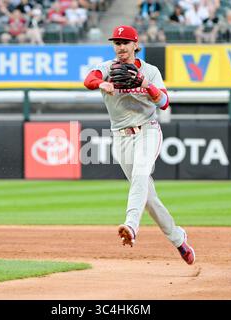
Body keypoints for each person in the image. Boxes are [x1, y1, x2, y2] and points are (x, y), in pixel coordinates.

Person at [83, 25, 195, 265]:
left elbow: (164, 102)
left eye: (125, 42)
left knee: (141, 173)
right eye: (116, 42)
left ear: (136, 45)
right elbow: (88, 79)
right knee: (149, 197)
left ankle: (131, 226)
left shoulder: (151, 71)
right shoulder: (106, 68)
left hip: (147, 131)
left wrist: (146, 84)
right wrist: (101, 84)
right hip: (120, 137)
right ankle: (178, 238)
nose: (120, 47)